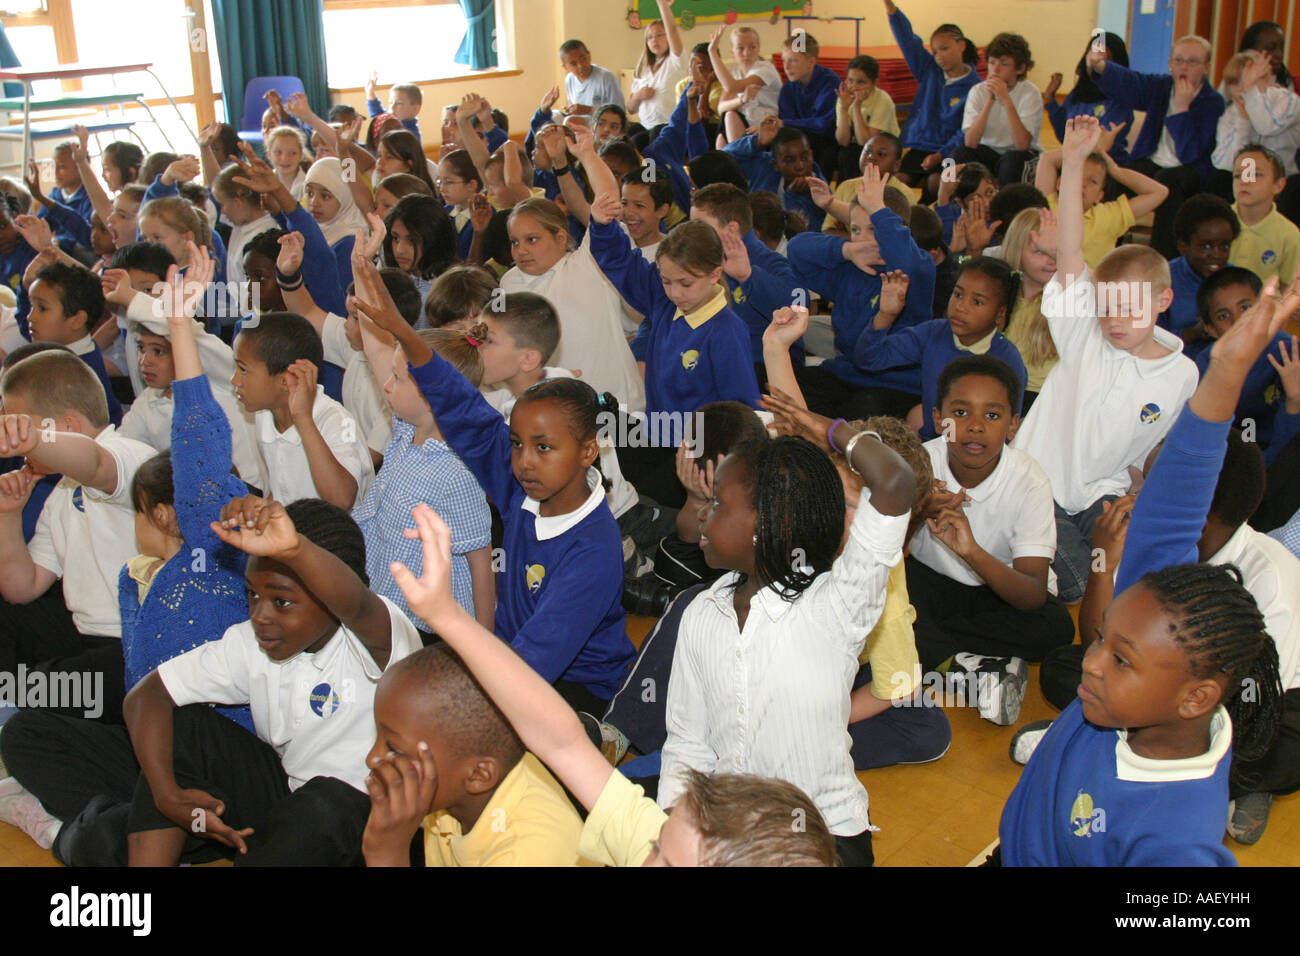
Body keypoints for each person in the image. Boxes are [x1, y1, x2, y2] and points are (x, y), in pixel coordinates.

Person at [998, 270, 1296, 866]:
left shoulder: (1177, 836)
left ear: (1197, 699)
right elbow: (1180, 493)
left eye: (1120, 657)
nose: (1093, 659)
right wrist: (1226, 372)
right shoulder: (1136, 667)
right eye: (1107, 640)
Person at [389, 502, 837, 866]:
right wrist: (447, 616)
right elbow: (560, 740)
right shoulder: (677, 842)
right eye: (658, 846)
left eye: (665, 863)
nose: (645, 859)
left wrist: (383, 852)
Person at [350, 250, 635, 713]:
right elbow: (461, 404)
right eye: (517, 443)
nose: (523, 461)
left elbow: (537, 664)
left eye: (544, 448)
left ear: (589, 451)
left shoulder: (594, 550)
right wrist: (402, 330)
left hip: (578, 689)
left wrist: (463, 683)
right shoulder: (519, 485)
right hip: (508, 653)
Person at [658, 408, 917, 867]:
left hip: (823, 838)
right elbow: (686, 743)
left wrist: (838, 433)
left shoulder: (835, 608)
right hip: (734, 833)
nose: (703, 514)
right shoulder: (701, 613)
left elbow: (895, 483)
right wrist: (670, 833)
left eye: (717, 503)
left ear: (768, 525)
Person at [121, 493, 422, 866]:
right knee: (183, 727)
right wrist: (167, 795)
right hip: (292, 809)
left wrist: (294, 549)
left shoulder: (376, 638)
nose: (260, 615)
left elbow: (356, 603)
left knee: (323, 802)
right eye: (252, 595)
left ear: (328, 597)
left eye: (281, 601)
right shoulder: (251, 641)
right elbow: (146, 695)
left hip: (375, 828)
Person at [1013, 117, 1197, 605]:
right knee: (1076, 584)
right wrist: (1072, 164)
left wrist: (1143, 497)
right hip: (1041, 484)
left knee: (1137, 569)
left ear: (1162, 302)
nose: (1116, 320)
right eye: (1107, 307)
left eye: (1130, 308)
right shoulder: (1085, 334)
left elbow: (1155, 447)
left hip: (1103, 491)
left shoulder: (1182, 373)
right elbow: (1072, 251)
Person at [360, 645, 585, 866]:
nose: (371, 758)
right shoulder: (452, 792)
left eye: (394, 749)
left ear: (478, 775)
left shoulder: (528, 854)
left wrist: (386, 855)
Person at [852, 256, 1028, 438]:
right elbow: (868, 359)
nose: (961, 306)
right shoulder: (934, 333)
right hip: (931, 445)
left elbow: (1005, 432)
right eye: (958, 294)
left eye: (977, 302)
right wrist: (886, 315)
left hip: (978, 452)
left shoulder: (1008, 361)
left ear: (1000, 314)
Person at [1089, 34, 1225, 259]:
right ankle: (1105, 250)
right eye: (1179, 60)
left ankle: (1162, 259)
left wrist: (1181, 109)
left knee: (1167, 183)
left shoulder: (1213, 102)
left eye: (1193, 61)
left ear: (1207, 68)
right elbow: (1132, 83)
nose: (1184, 67)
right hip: (1152, 162)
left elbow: (1191, 153)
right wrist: (1101, 66)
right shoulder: (1161, 86)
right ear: (1170, 64)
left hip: (1190, 171)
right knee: (1120, 176)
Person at [231, 309, 374, 509]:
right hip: (294, 530)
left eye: (244, 370)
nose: (235, 380)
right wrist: (263, 508)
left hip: (336, 536)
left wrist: (303, 419)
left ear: (288, 378)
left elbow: (341, 500)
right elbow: (283, 488)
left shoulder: (337, 421)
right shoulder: (264, 415)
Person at [883, 0, 981, 201]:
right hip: (920, 145)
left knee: (935, 182)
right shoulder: (929, 71)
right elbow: (907, 41)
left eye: (945, 48)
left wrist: (940, 155)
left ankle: (929, 224)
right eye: (935, 51)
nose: (939, 56)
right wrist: (891, 8)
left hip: (949, 151)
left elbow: (966, 132)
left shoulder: (976, 87)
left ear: (961, 46)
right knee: (898, 181)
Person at [951, 33, 1042, 186]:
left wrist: (1006, 100)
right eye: (992, 63)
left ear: (1020, 68)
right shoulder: (977, 91)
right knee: (959, 155)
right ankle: (965, 206)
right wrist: (989, 101)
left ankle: (1007, 206)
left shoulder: (1030, 92)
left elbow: (1022, 145)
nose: (996, 69)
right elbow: (971, 142)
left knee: (1012, 162)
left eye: (1004, 64)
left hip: (1019, 154)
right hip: (988, 151)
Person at [1042, 33, 1134, 165]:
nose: (1095, 66)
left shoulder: (1121, 99)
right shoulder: (1080, 93)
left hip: (1104, 163)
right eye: (1092, 59)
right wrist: (1050, 100)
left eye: (1103, 61)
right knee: (1044, 162)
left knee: (1049, 160)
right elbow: (1063, 135)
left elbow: (1103, 144)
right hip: (1075, 158)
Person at [1160, 192, 1239, 334]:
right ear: (1183, 246)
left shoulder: (1238, 281)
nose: (1217, 255)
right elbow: (1149, 340)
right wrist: (1195, 333)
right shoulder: (1163, 280)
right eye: (1206, 246)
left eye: (1224, 246)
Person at [1228, 145, 1300, 287]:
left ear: (1278, 185)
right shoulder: (1216, 222)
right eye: (1238, 175)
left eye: (1255, 174)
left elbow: (1290, 288)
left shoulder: (1289, 234)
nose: (1245, 181)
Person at [776, 31, 841, 179]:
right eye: (784, 60)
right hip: (801, 138)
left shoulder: (830, 82)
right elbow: (788, 129)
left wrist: (784, 123)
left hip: (828, 140)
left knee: (824, 153)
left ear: (811, 62)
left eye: (792, 60)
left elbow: (822, 124)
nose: (786, 66)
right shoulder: (787, 88)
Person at [708, 25, 782, 146]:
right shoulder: (735, 73)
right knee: (722, 132)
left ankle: (738, 159)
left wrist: (712, 53)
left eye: (752, 47)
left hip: (764, 126)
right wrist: (741, 100)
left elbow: (732, 87)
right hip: (745, 123)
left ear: (758, 48)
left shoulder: (765, 69)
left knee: (730, 116)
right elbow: (721, 108)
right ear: (732, 52)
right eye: (741, 48)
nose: (747, 53)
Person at [835, 55, 901, 186]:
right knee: (835, 154)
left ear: (874, 82)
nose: (854, 87)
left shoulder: (883, 100)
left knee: (852, 156)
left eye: (861, 82)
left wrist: (856, 106)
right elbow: (842, 140)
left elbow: (864, 141)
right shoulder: (844, 98)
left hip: (883, 147)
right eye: (850, 80)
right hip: (857, 146)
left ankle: (859, 194)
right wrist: (843, 108)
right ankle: (841, 194)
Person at [627, 0, 686, 145]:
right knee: (629, 137)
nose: (655, 40)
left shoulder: (675, 62)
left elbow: (672, 30)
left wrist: (662, 6)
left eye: (660, 35)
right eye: (650, 37)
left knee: (649, 141)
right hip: (646, 125)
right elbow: (630, 109)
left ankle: (653, 168)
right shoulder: (643, 68)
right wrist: (638, 96)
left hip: (667, 126)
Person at [559, 39, 625, 116]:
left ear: (589, 55)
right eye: (573, 64)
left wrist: (589, 110)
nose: (580, 66)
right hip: (578, 126)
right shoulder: (569, 79)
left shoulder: (606, 78)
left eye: (583, 59)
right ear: (565, 67)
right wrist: (571, 110)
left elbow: (620, 112)